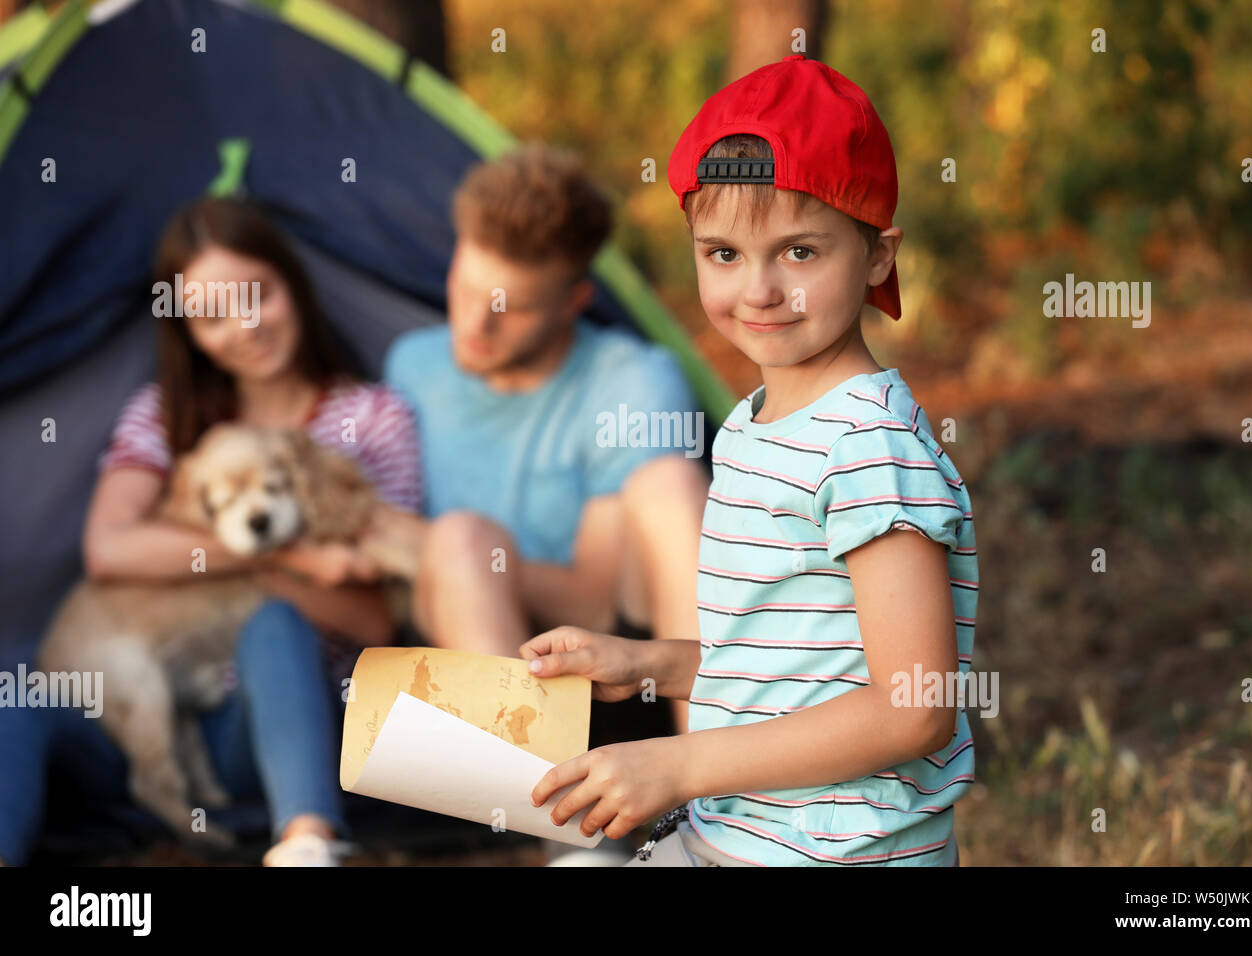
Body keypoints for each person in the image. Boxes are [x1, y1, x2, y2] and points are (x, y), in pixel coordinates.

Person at [522, 55, 978, 866]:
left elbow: (915, 708)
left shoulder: (868, 446)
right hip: (738, 835)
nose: (759, 289)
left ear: (878, 257)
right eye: (723, 254)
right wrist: (654, 663)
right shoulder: (754, 424)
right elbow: (791, 672)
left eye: (800, 253)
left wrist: (679, 763)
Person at [0, 197, 421, 868]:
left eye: (258, 295)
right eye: (212, 315)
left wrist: (270, 573)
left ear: (294, 283)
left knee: (275, 627)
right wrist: (290, 554)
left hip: (260, 732)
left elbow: (374, 621)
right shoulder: (165, 418)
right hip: (126, 729)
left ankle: (307, 841)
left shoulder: (368, 419)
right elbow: (108, 549)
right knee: (11, 686)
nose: (245, 326)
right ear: (186, 330)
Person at [379, 143, 709, 734]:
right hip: (461, 647)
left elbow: (593, 605)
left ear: (573, 303)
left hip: (622, 664)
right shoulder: (412, 366)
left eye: (514, 308)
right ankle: (542, 802)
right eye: (467, 290)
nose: (476, 326)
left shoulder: (631, 378)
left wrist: (429, 542)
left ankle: (722, 775)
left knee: (670, 482)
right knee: (460, 544)